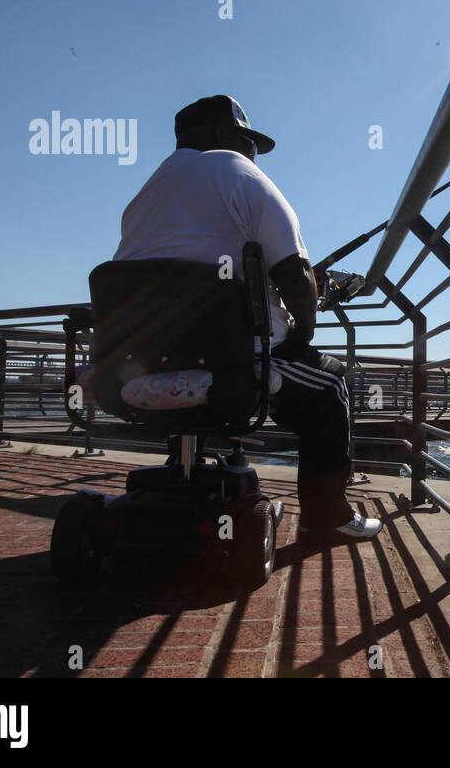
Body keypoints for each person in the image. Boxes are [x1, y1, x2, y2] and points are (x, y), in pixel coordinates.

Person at [113, 94, 382, 543]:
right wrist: (302, 338)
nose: (253, 153)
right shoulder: (241, 175)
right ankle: (327, 515)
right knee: (331, 383)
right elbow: (296, 278)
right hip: (230, 364)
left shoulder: (145, 196)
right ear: (222, 136)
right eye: (248, 141)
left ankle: (181, 471)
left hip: (138, 362)